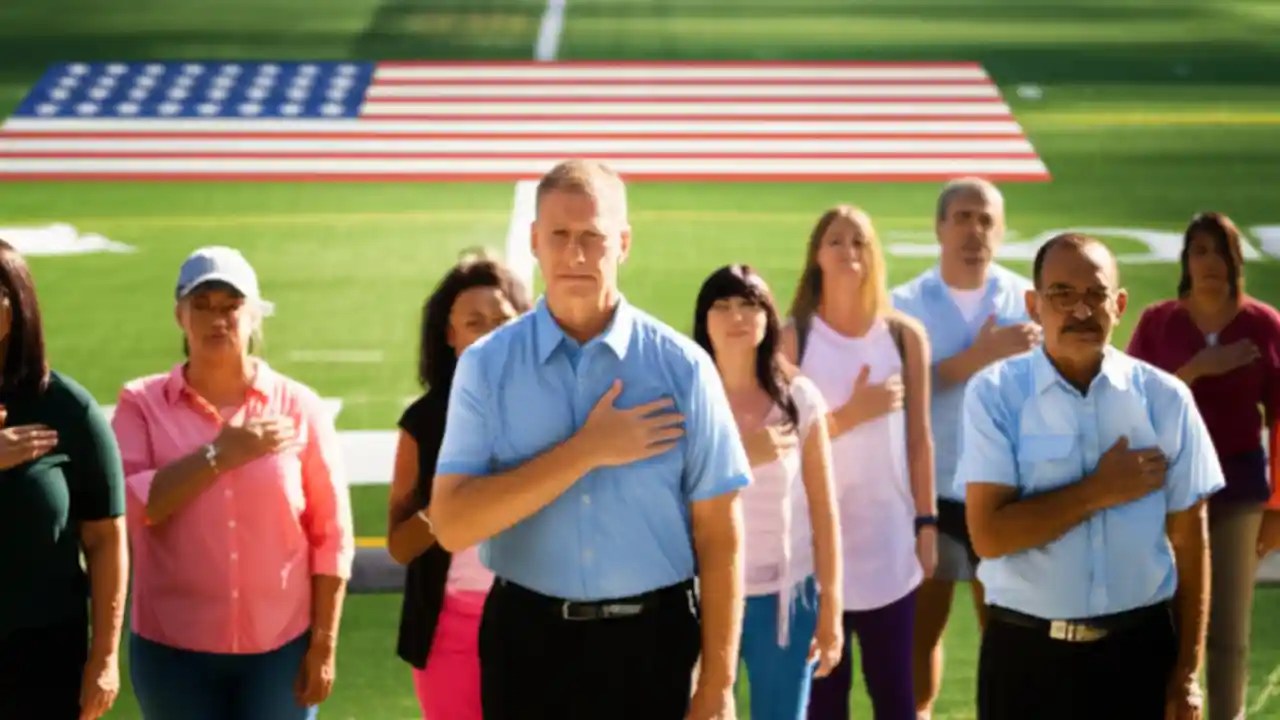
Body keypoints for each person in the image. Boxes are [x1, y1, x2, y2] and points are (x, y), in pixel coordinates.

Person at [428, 159, 752, 720]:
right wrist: (587, 450)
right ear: (534, 241)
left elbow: (720, 535)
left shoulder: (683, 369)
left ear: (622, 243)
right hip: (527, 646)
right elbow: (453, 522)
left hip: (653, 647)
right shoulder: (487, 367)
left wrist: (718, 685)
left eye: (593, 237)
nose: (576, 254)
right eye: (560, 235)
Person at [957, 233, 1222, 720]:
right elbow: (990, 536)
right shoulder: (995, 395)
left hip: (1139, 655)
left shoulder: (1166, 400)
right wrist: (1098, 491)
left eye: (1095, 295)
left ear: (1119, 305)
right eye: (1061, 294)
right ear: (1034, 306)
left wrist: (1186, 675)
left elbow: (1190, 542)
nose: (1080, 310)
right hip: (1025, 657)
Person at [111, 246, 355, 720]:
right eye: (201, 305)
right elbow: (131, 508)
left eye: (230, 305)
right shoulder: (141, 405)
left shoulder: (299, 406)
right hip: (173, 649)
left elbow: (331, 535)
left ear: (254, 314)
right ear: (179, 315)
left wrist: (323, 645)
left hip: (280, 646)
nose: (216, 318)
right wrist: (220, 455)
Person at [890, 178, 1040, 717]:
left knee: (1006, 636)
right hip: (926, 494)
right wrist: (977, 357)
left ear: (1000, 231)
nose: (974, 230)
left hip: (1005, 492)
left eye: (985, 220)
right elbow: (890, 392)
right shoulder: (901, 305)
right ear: (939, 226)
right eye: (962, 217)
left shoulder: (1031, 301)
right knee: (917, 637)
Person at [779, 206, 936, 720]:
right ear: (816, 256)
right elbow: (781, 444)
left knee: (897, 699)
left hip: (890, 548)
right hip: (815, 553)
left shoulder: (904, 337)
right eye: (836, 241)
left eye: (860, 241)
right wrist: (851, 414)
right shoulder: (792, 338)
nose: (849, 251)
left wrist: (927, 524)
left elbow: (920, 440)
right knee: (824, 702)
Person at [1126, 211, 1280, 720]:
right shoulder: (1158, 322)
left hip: (1238, 489)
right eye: (1199, 251)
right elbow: (1131, 403)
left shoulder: (1264, 325)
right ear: (1185, 262)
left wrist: (1278, 506)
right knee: (1166, 619)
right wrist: (1194, 371)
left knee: (1228, 628)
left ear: (1236, 261)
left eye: (1220, 251)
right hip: (1167, 490)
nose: (1210, 262)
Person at [693, 264, 843, 720]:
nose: (736, 315)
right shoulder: (687, 397)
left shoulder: (799, 398)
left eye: (749, 304)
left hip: (786, 599)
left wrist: (831, 604)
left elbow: (824, 508)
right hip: (703, 597)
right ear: (704, 320)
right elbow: (668, 500)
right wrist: (741, 453)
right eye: (722, 305)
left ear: (768, 318)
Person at [388, 251, 531, 720]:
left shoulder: (551, 412)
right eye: (474, 323)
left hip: (537, 626)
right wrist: (452, 504)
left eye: (502, 320)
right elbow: (401, 546)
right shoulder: (424, 424)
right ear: (450, 335)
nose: (490, 333)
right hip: (452, 633)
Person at [0, 240, 127, 720]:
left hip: (44, 654)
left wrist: (105, 657)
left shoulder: (67, 409)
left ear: (18, 306)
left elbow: (105, 538)